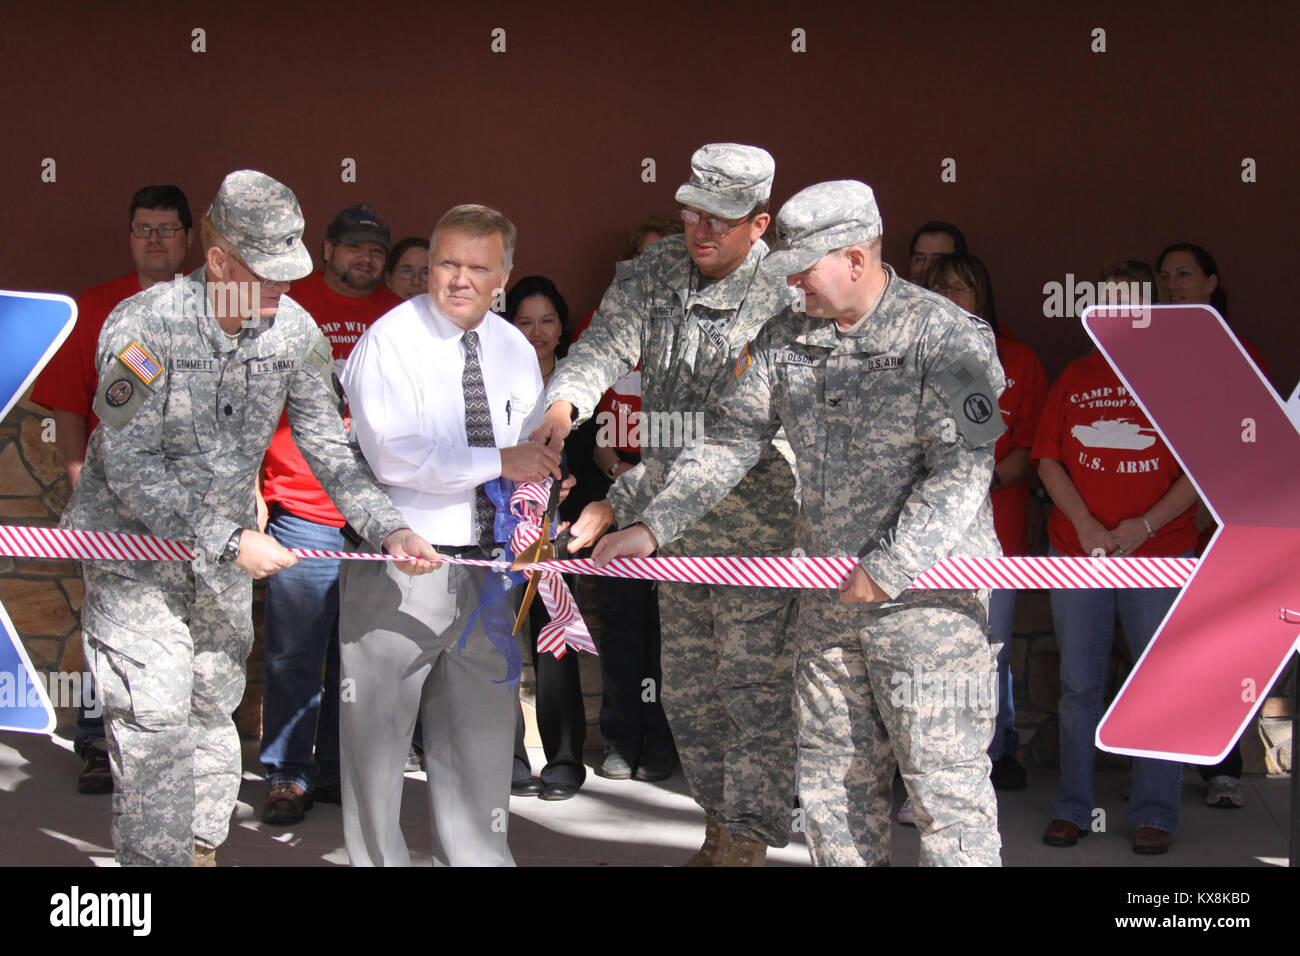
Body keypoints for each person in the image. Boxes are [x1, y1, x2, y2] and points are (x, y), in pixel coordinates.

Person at [594, 180, 1006, 866]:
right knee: (834, 789)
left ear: (855, 257)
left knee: (948, 792)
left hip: (927, 604)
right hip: (828, 599)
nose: (791, 284)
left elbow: (966, 468)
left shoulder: (949, 337)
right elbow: (730, 440)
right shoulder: (786, 337)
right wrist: (654, 527)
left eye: (804, 269)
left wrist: (892, 566)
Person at [61, 169, 439, 867]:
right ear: (218, 261)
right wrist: (231, 537)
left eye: (291, 274)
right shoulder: (144, 326)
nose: (282, 290)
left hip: (218, 568)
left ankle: (200, 851)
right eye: (267, 274)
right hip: (135, 557)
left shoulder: (294, 333)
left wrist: (389, 526)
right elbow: (126, 458)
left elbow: (329, 447)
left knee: (209, 707)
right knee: (155, 715)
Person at [532, 144, 801, 866]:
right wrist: (564, 404)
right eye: (691, 214)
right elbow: (602, 345)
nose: (701, 231)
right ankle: (718, 826)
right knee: (690, 692)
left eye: (721, 218)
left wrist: (628, 504)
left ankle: (747, 838)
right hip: (673, 535)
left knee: (752, 693)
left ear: (760, 222)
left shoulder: (786, 296)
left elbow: (731, 441)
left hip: (758, 533)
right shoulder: (654, 271)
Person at [339, 203, 561, 866]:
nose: (459, 279)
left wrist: (540, 492)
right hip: (404, 567)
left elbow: (528, 452)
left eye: (477, 267)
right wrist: (502, 462)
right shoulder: (388, 340)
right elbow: (394, 458)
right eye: (446, 263)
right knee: (375, 745)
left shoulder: (515, 348)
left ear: (504, 275)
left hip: (492, 573)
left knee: (483, 741)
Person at [30, 184, 194, 795]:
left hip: (194, 507)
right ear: (130, 236)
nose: (155, 241)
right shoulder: (102, 308)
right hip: (116, 504)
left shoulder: (219, 309)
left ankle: (182, 748)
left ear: (189, 238)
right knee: (110, 624)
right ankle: (101, 741)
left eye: (167, 229)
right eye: (143, 229)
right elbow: (79, 408)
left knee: (189, 629)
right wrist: (81, 483)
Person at [1035, 260, 1196, 855]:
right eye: (1105, 303)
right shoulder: (1075, 376)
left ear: (1153, 308)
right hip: (1080, 552)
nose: (1116, 314)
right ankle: (1073, 807)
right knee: (1079, 685)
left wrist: (1145, 525)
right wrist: (1086, 524)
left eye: (1130, 302)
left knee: (1158, 681)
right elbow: (1049, 458)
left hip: (1162, 552)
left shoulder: (1181, 375)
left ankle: (1155, 810)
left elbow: (1203, 470)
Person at [258, 204, 403, 824]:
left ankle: (338, 770)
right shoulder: (292, 311)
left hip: (377, 514)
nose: (364, 258)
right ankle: (289, 774)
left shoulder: (400, 319)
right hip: (301, 503)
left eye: (374, 249)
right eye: (352, 247)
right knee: (294, 650)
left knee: (361, 653)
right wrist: (257, 494)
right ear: (326, 248)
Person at [926, 252, 1045, 794]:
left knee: (983, 653)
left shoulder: (970, 359)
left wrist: (972, 487)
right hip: (912, 542)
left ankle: (979, 764)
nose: (951, 299)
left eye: (962, 289)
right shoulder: (896, 352)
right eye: (939, 288)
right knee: (923, 661)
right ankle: (927, 768)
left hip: (980, 536)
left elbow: (986, 447)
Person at [1157, 242, 1265, 811]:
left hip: (1223, 526)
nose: (1174, 285)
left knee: (1215, 652)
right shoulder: (1149, 350)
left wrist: (1206, 504)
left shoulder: (1235, 351)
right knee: (1162, 654)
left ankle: (1222, 769)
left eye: (1185, 274)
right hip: (1163, 529)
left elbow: (1254, 441)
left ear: (1211, 282)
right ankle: (1159, 773)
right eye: (1165, 276)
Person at [588, 221, 679, 783]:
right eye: (642, 260)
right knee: (622, 628)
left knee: (670, 631)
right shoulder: (609, 330)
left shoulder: (695, 340)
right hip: (619, 501)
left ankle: (664, 745)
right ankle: (621, 739)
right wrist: (623, 473)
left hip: (679, 508)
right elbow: (598, 430)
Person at [503, 275, 587, 801]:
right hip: (500, 533)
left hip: (560, 533)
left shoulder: (582, 385)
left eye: (547, 320)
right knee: (501, 642)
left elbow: (592, 467)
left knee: (555, 643)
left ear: (563, 325)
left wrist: (566, 515)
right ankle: (507, 755)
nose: (537, 332)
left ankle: (564, 758)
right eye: (524, 321)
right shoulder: (493, 377)